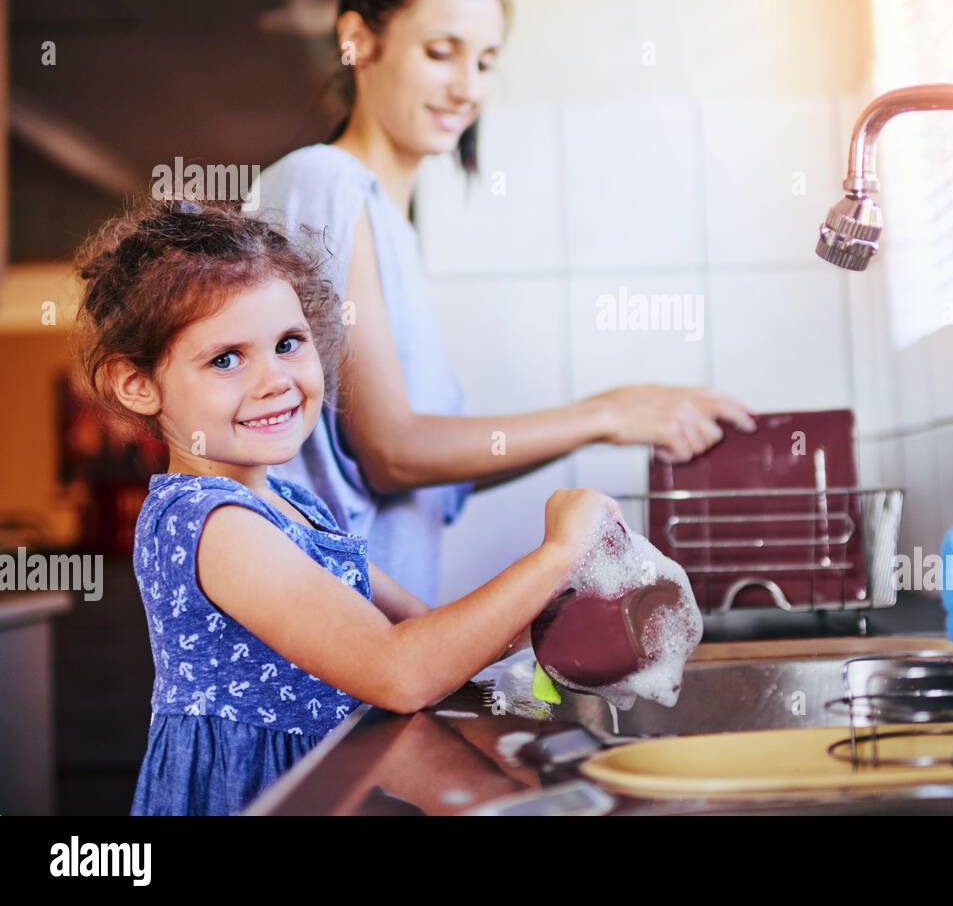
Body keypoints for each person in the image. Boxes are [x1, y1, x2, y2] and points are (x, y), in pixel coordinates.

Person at [253, 0, 754, 605]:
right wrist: (607, 412)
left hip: (379, 642)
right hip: (323, 652)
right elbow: (393, 451)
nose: (467, 89)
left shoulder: (387, 221)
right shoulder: (324, 183)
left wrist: (619, 414)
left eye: (486, 62)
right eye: (441, 52)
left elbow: (432, 470)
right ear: (358, 41)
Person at [72, 198, 620, 815]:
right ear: (136, 384)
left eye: (288, 343)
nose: (274, 379)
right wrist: (558, 552)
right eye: (225, 359)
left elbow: (427, 631)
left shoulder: (290, 505)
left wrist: (569, 614)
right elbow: (400, 670)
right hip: (255, 797)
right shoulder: (210, 524)